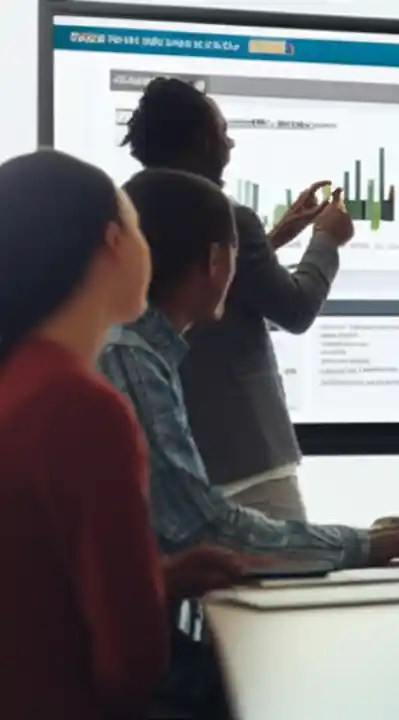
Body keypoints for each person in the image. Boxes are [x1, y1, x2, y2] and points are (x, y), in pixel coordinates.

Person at [0, 150, 248, 718]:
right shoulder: (81, 408)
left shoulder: (20, 382)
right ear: (114, 242)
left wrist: (154, 581)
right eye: (139, 229)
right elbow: (129, 666)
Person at [100, 167, 399, 569]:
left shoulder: (129, 348)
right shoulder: (133, 364)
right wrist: (362, 545)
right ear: (216, 260)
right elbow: (205, 533)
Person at [122, 76, 344, 521]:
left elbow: (195, 280)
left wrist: (275, 236)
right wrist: (326, 241)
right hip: (247, 460)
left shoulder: (126, 211)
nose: (231, 142)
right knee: (290, 581)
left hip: (169, 457)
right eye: (224, 132)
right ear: (204, 141)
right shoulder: (227, 217)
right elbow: (295, 310)